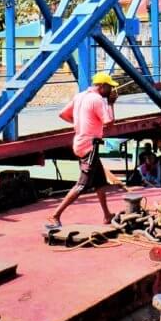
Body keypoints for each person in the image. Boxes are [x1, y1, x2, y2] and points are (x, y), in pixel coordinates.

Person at [46, 72, 119, 228]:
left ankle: (107, 215)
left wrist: (79, 123)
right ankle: (55, 215)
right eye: (110, 87)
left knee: (99, 182)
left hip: (80, 142)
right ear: (102, 86)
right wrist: (111, 104)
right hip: (89, 146)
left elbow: (62, 114)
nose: (111, 90)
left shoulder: (80, 96)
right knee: (82, 184)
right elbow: (109, 124)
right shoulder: (98, 100)